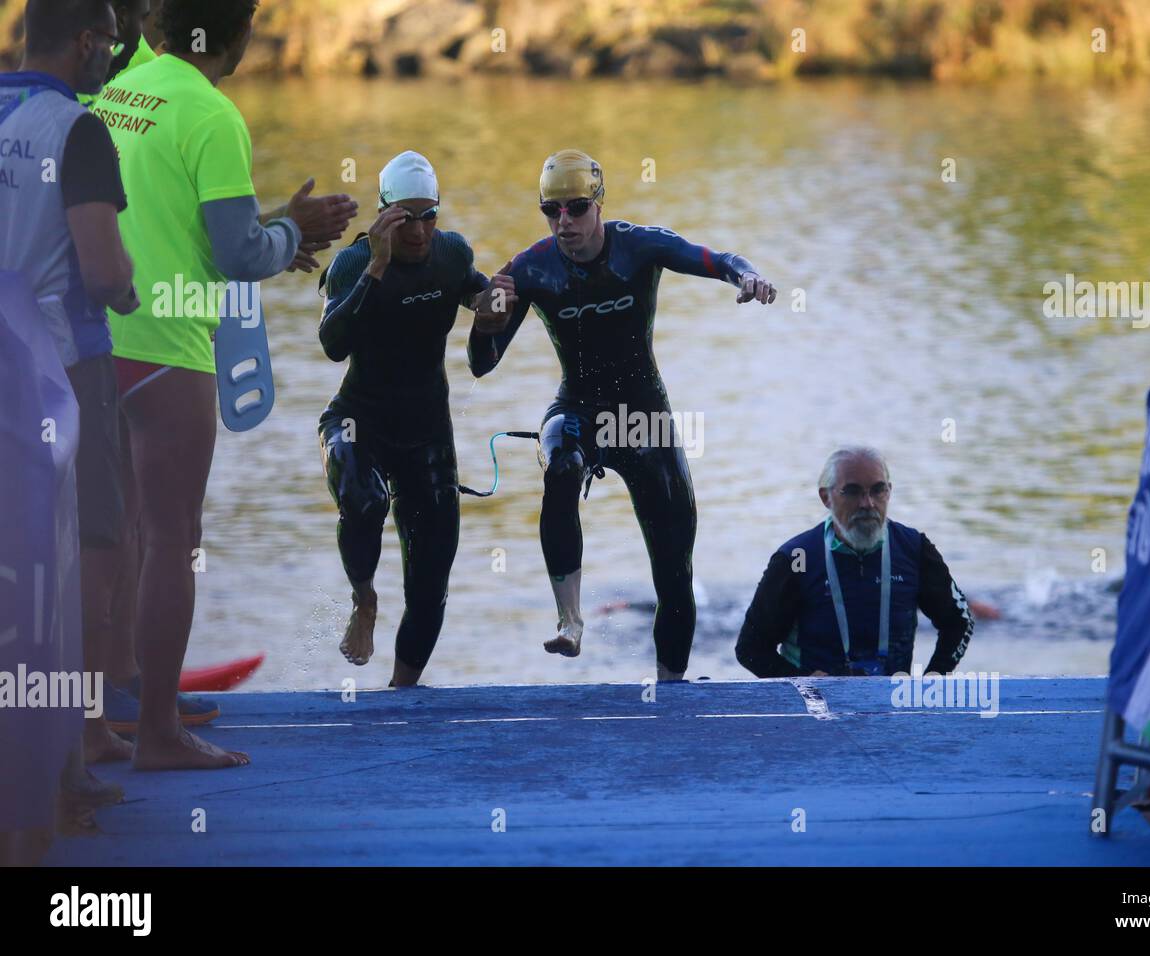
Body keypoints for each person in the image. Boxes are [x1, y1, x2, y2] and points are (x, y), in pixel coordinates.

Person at [94, 0, 358, 769]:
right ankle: (157, 739)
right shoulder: (211, 114)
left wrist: (277, 228)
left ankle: (122, 696)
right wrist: (288, 235)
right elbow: (239, 252)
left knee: (118, 530)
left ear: (159, 28)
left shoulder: (121, 93)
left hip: (98, 341)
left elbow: (174, 220)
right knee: (175, 538)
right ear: (237, 38)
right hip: (169, 350)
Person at [469, 149, 777, 680]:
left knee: (675, 574)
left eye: (576, 208)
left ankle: (671, 685)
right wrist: (486, 324)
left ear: (599, 203)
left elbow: (717, 259)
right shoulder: (530, 268)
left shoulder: (639, 246)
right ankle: (570, 621)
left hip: (644, 420)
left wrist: (748, 277)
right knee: (560, 461)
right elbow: (481, 365)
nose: (564, 222)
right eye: (552, 210)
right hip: (579, 409)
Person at [0, 0, 138, 843]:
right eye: (112, 41)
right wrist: (127, 287)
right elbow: (100, 268)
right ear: (85, 41)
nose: (114, 57)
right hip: (57, 368)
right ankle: (76, 747)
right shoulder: (77, 130)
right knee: (89, 552)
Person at [317, 151, 489, 686]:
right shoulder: (353, 262)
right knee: (365, 498)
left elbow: (482, 297)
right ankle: (364, 600)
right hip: (356, 421)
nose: (418, 230)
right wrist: (376, 266)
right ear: (384, 214)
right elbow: (332, 344)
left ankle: (401, 692)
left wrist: (496, 305)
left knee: (432, 576)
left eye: (428, 216)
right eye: (405, 217)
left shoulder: (451, 254)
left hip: (426, 431)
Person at [735, 447, 974, 678]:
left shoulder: (914, 549)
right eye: (852, 491)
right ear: (825, 497)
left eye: (877, 490)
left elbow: (959, 622)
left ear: (889, 492)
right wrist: (801, 681)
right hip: (818, 713)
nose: (867, 503)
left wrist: (933, 678)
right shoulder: (797, 557)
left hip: (890, 709)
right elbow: (750, 649)